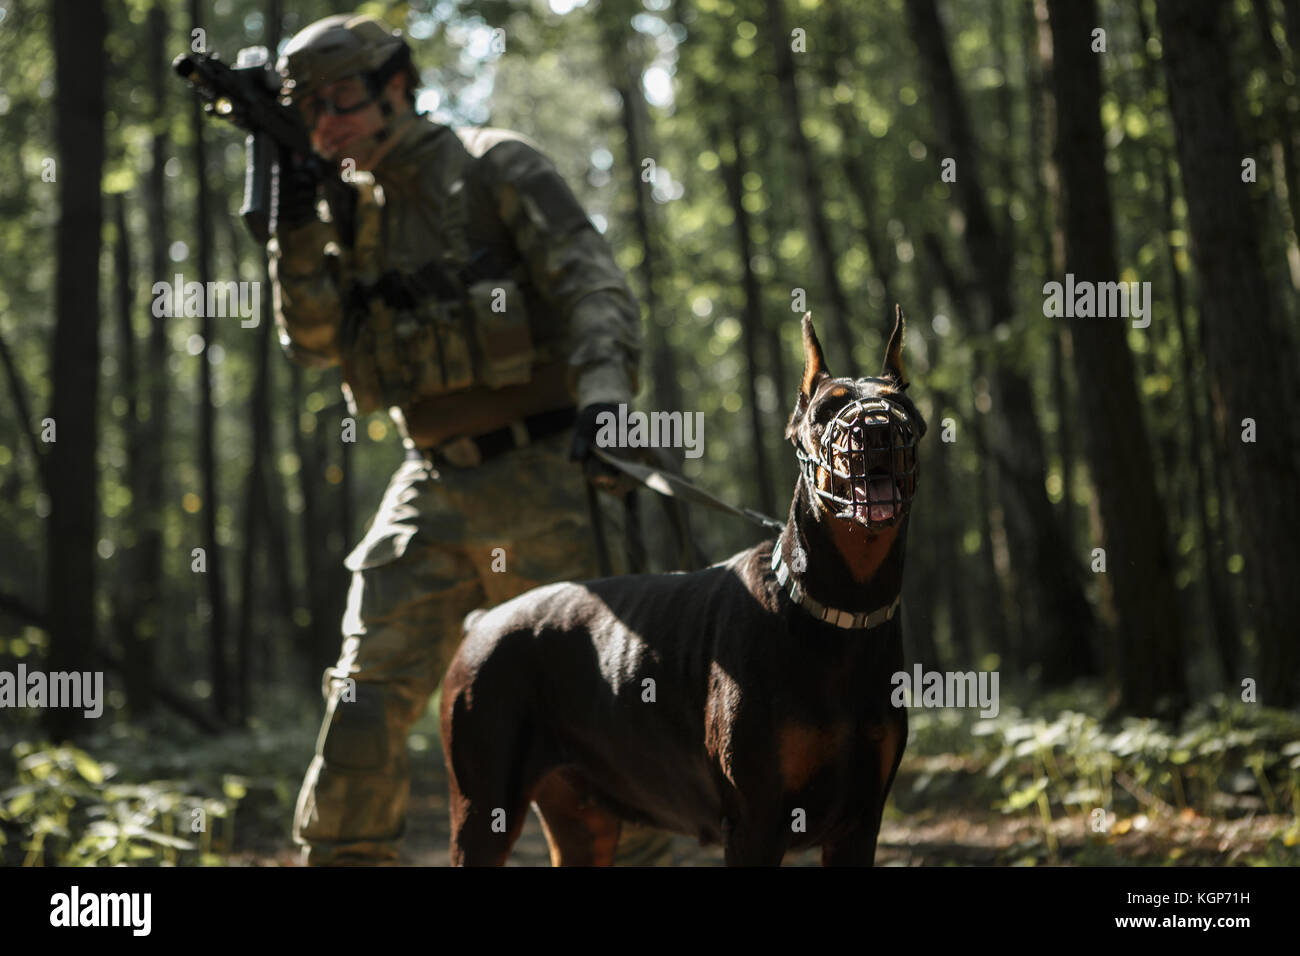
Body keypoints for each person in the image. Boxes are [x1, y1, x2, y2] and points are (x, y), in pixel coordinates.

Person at [269, 12, 670, 866]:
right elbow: (310, 342)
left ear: (398, 89)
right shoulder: (347, 208)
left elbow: (594, 289)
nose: (327, 124)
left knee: (596, 718)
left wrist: (605, 404)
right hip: (431, 485)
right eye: (310, 111)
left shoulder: (497, 167)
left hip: (546, 473)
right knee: (364, 702)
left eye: (341, 100)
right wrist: (294, 224)